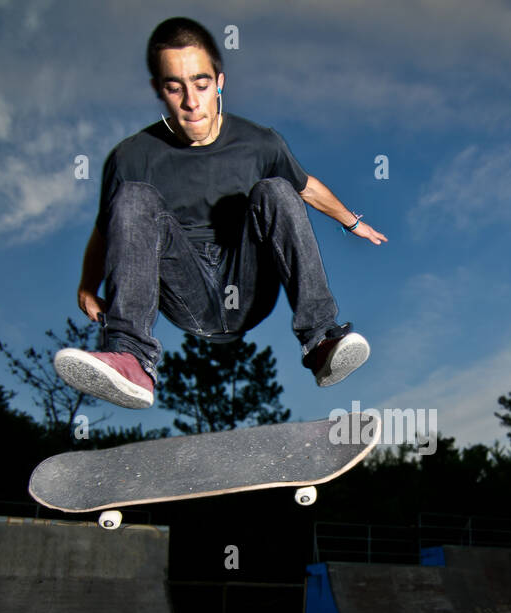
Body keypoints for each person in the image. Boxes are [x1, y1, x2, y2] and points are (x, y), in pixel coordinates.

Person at [55, 17, 386, 410]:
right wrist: (86, 285)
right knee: (132, 198)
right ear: (158, 90)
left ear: (220, 82)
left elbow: (306, 187)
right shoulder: (131, 157)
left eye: (201, 84)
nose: (192, 103)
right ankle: (131, 358)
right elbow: (107, 229)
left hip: (246, 282)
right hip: (185, 290)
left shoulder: (259, 143)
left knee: (276, 188)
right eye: (175, 88)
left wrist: (352, 222)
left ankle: (320, 342)